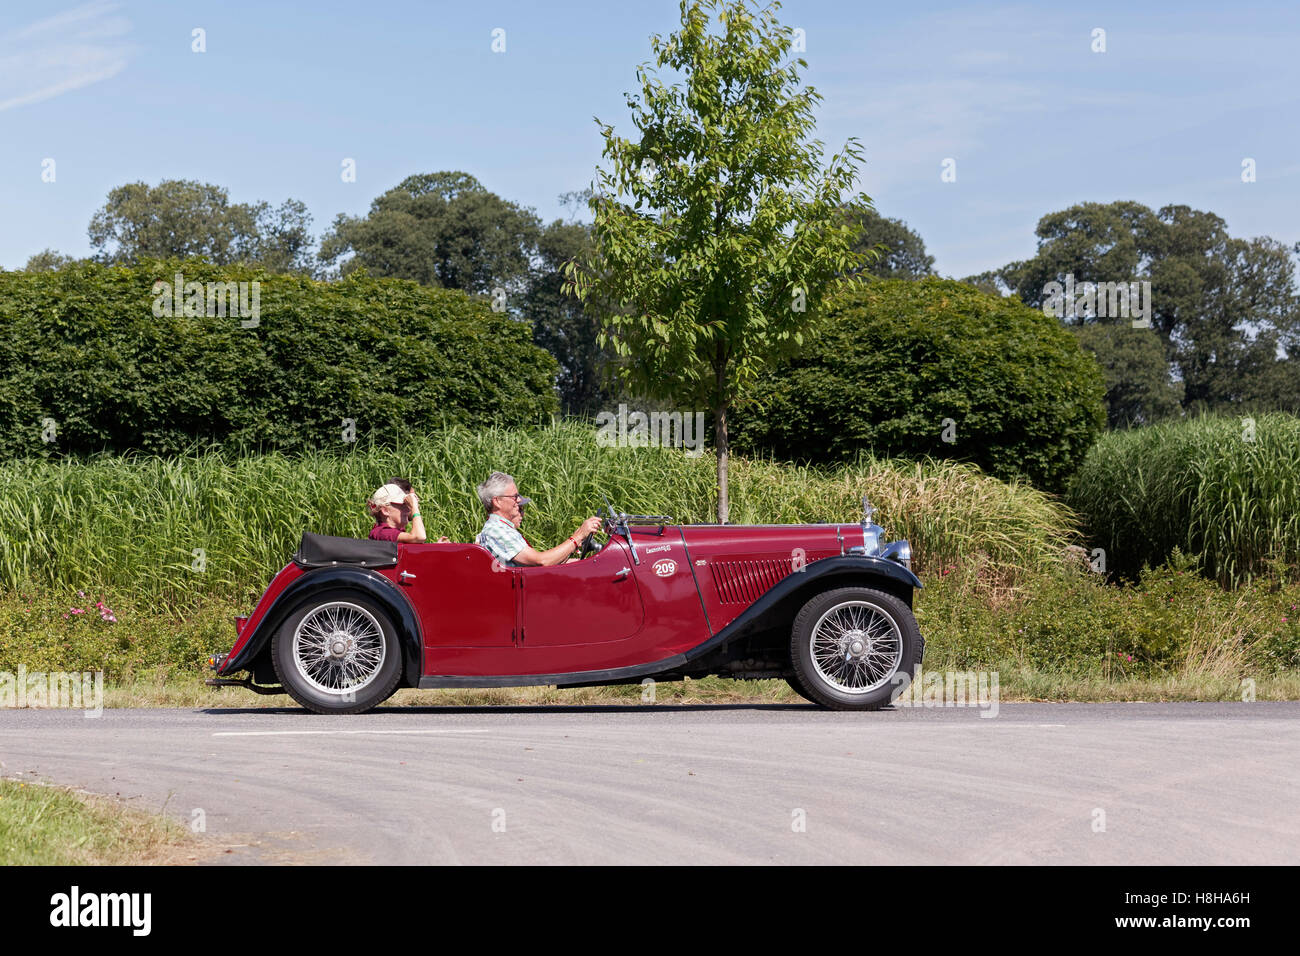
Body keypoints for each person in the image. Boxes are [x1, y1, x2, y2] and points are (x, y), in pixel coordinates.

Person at [475, 471, 601, 567]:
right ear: (497, 501)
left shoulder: (500, 528)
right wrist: (578, 536)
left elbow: (542, 563)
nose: (519, 500)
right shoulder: (497, 530)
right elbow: (541, 561)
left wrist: (586, 562)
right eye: (514, 496)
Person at [368, 480, 449, 543]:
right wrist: (414, 506)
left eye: (407, 505)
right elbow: (419, 537)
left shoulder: (398, 533)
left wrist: (436, 548)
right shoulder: (381, 533)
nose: (408, 509)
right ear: (385, 511)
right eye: (402, 505)